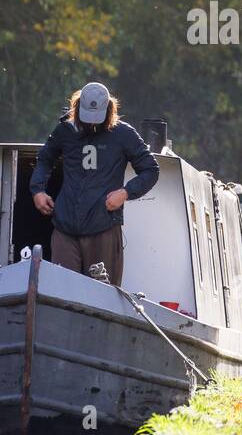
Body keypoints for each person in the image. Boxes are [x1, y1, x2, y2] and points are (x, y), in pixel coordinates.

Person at [30, 82, 159, 286]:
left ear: (109, 110)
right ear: (77, 108)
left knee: (102, 293)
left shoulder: (124, 134)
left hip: (103, 227)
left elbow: (151, 170)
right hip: (65, 227)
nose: (91, 124)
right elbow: (45, 159)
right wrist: (37, 190)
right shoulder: (65, 130)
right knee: (62, 291)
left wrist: (125, 193)